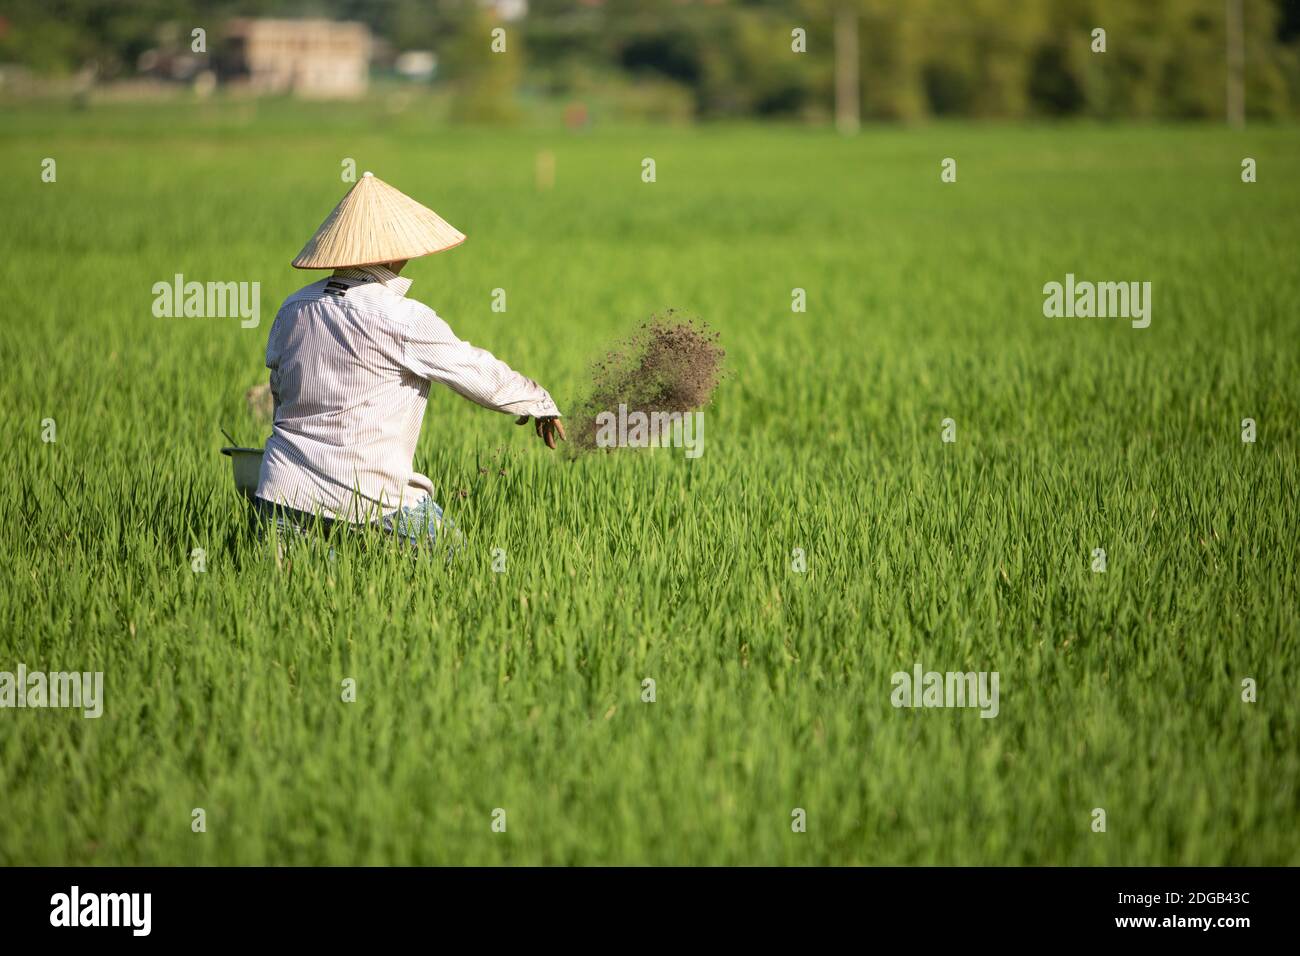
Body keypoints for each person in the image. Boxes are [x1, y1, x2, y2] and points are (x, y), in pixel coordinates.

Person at [253, 171, 564, 552]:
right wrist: (537, 402)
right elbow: (473, 370)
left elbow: (280, 388)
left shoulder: (293, 307)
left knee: (307, 601)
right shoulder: (401, 317)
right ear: (396, 249)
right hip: (371, 494)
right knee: (460, 566)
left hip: (281, 494)